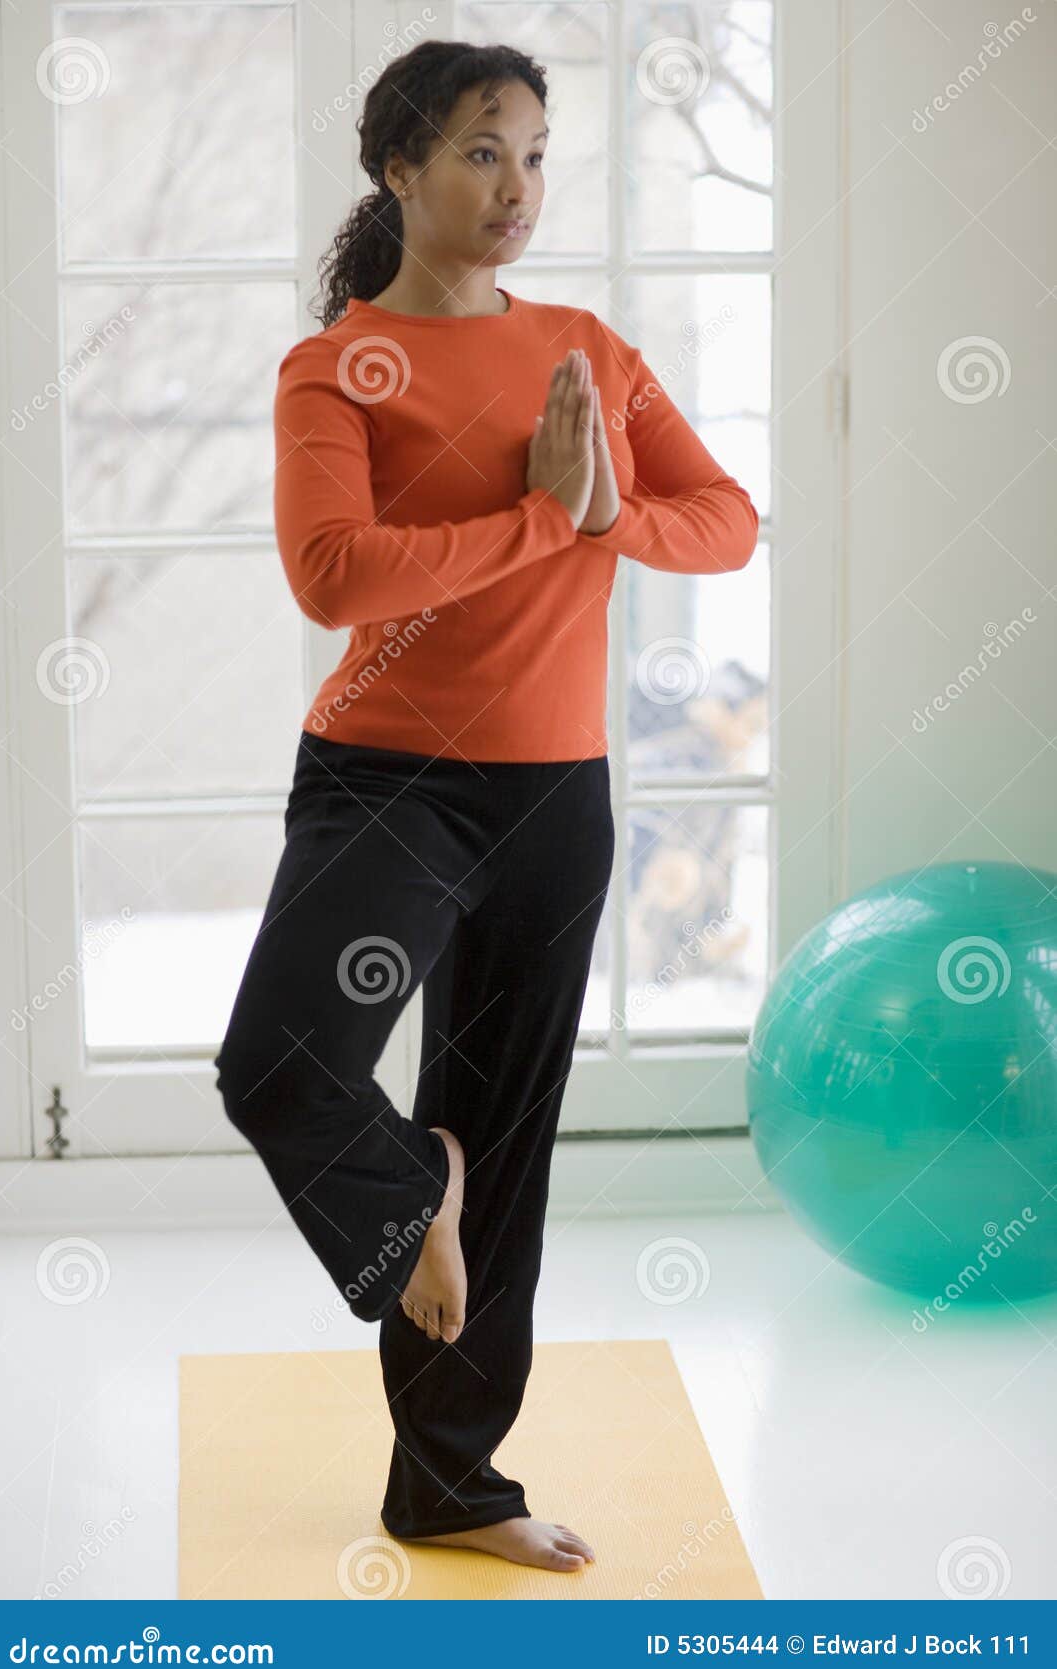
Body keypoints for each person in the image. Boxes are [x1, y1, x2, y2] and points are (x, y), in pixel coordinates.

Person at [213, 38, 759, 1575]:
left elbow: (722, 521)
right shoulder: (338, 367)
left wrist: (608, 513)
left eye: (532, 152)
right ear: (396, 169)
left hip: (551, 799)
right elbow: (336, 575)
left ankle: (449, 1483)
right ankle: (409, 1193)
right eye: (477, 153)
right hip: (386, 781)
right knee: (280, 1062)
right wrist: (537, 519)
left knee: (505, 1144)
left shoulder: (584, 347)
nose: (515, 186)